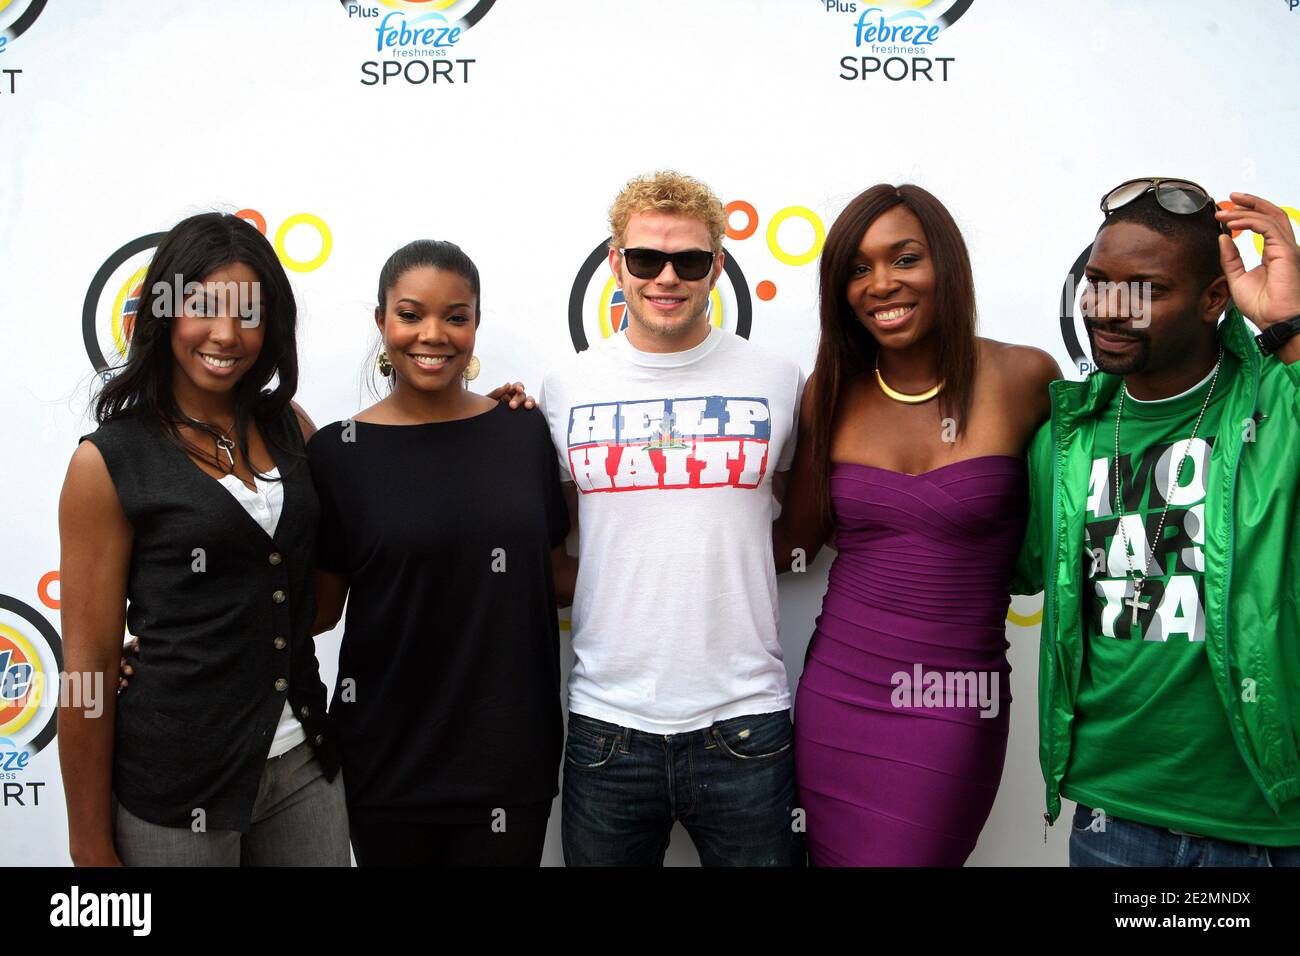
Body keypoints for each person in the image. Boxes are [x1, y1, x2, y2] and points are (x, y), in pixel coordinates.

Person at [1014, 181, 1300, 866]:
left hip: (1265, 820)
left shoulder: (1279, 404)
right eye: (1098, 282)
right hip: (1117, 818)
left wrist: (1288, 326)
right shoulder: (1067, 435)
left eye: (1143, 289)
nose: (1108, 310)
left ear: (1213, 300)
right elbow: (1013, 574)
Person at [774, 184, 1060, 865]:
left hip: (957, 700)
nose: (881, 284)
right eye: (857, 268)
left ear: (946, 266)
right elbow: (795, 542)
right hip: (839, 689)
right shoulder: (831, 389)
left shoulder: (1025, 377)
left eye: (904, 259)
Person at [58, 212, 349, 866]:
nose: (227, 333)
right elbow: (86, 671)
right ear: (163, 313)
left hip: (304, 764)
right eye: (204, 307)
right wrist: (89, 846)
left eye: (249, 313)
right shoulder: (107, 463)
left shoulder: (289, 426)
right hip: (175, 782)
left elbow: (315, 605)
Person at [539, 170, 805, 866]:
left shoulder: (778, 380)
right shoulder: (566, 387)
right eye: (646, 258)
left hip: (747, 722)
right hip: (606, 728)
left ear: (717, 266)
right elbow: (563, 537)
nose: (667, 277)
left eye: (689, 260)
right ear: (615, 264)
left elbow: (798, 523)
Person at [307, 239, 571, 866]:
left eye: (456, 316)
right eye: (410, 314)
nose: (434, 334)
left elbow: (556, 571)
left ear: (477, 323)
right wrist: (166, 645)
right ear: (381, 323)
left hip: (508, 760)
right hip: (386, 762)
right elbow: (314, 610)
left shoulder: (523, 430)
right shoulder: (337, 453)